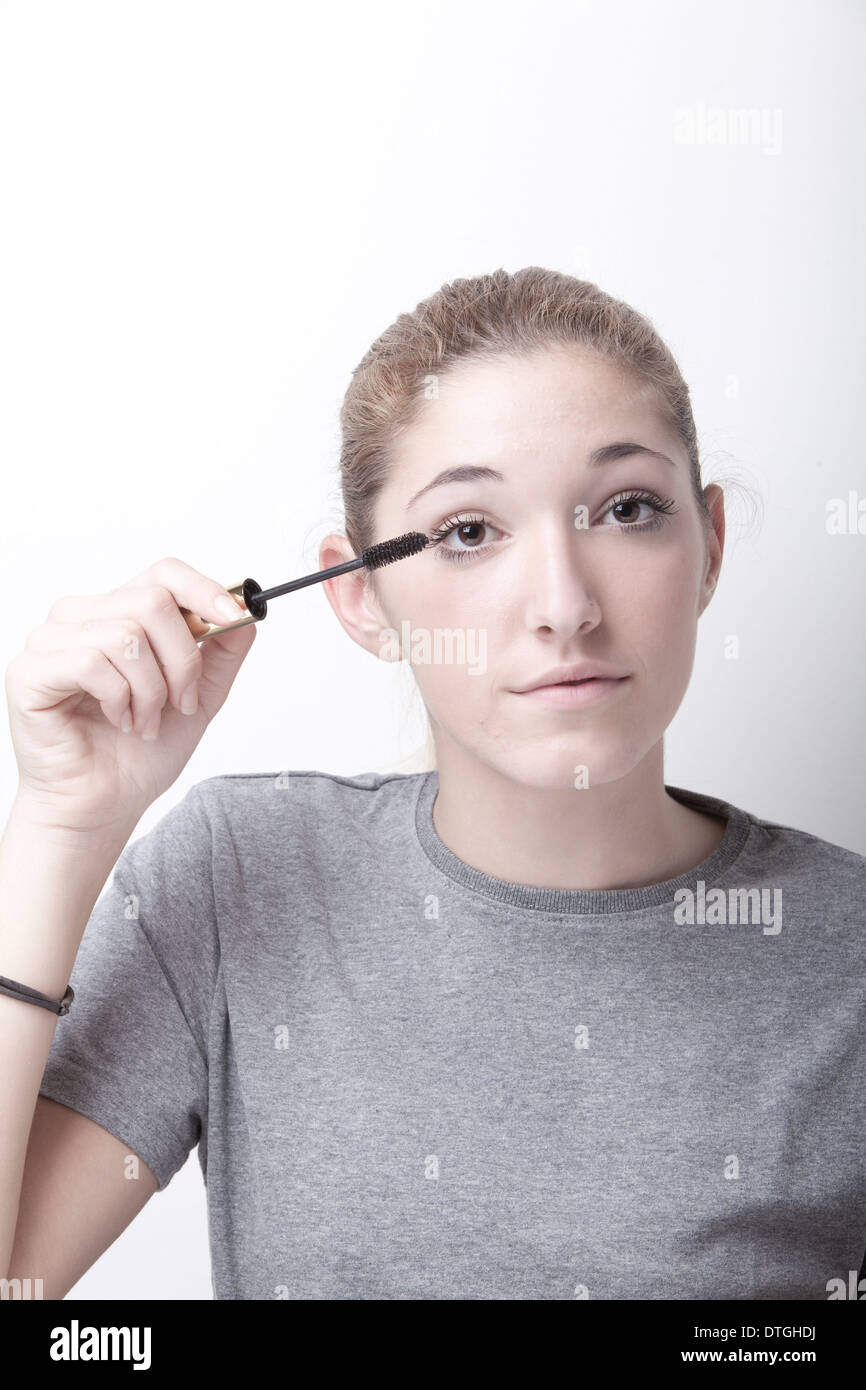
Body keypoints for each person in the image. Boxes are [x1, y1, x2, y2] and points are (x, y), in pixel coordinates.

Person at [1, 267, 863, 1301]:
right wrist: (61, 824)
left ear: (709, 542)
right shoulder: (238, 880)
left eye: (625, 508)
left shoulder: (842, 952)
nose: (562, 605)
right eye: (467, 531)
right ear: (360, 598)